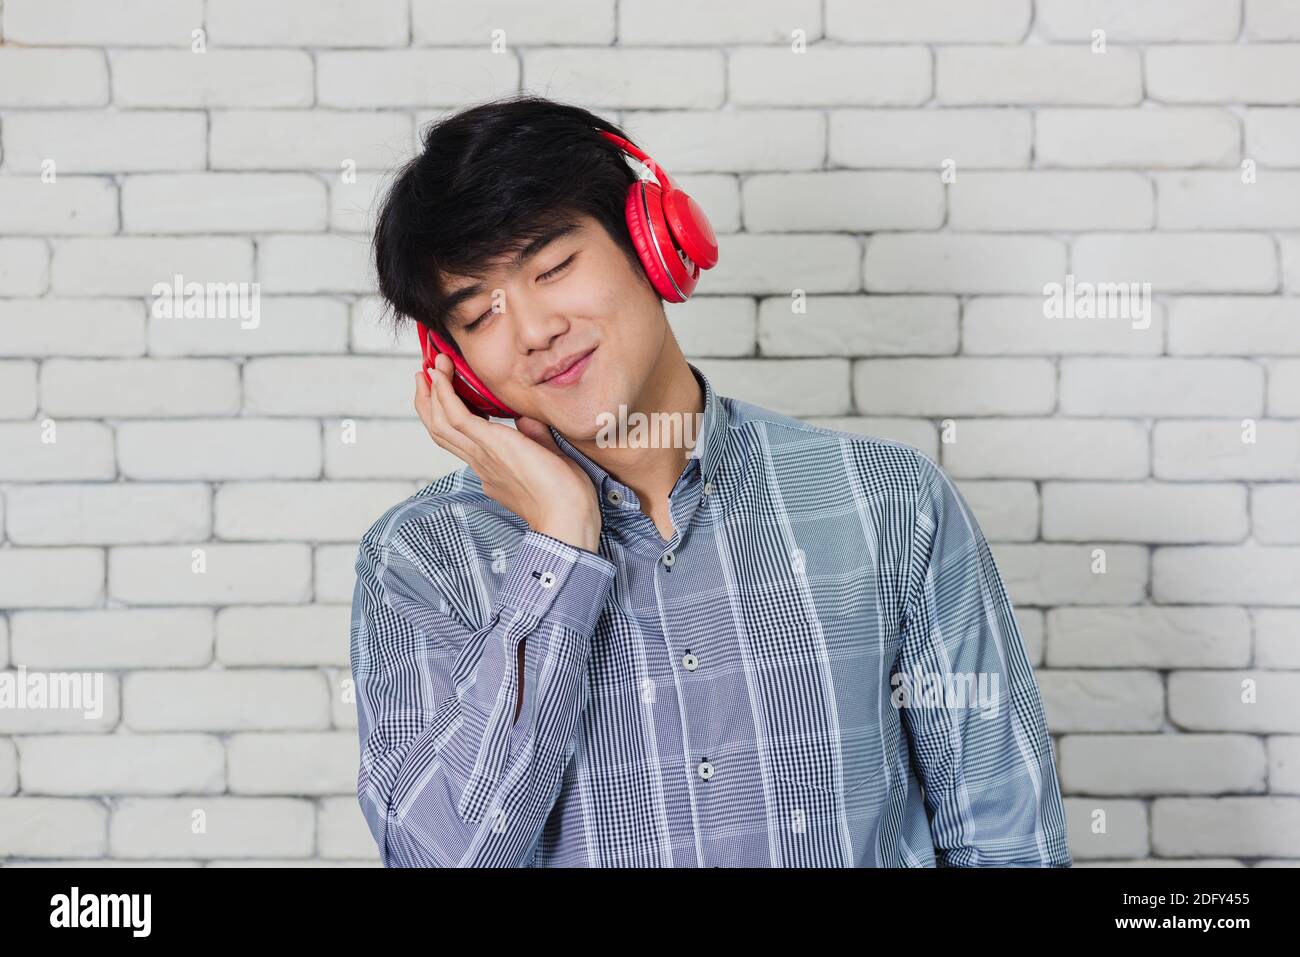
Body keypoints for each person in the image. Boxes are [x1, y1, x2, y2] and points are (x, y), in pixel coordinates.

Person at [349, 92, 1072, 867]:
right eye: (479, 315)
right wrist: (558, 547)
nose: (533, 332)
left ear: (652, 239)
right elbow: (438, 857)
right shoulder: (420, 559)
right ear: (453, 363)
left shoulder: (889, 504)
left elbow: (1007, 838)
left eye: (553, 267)